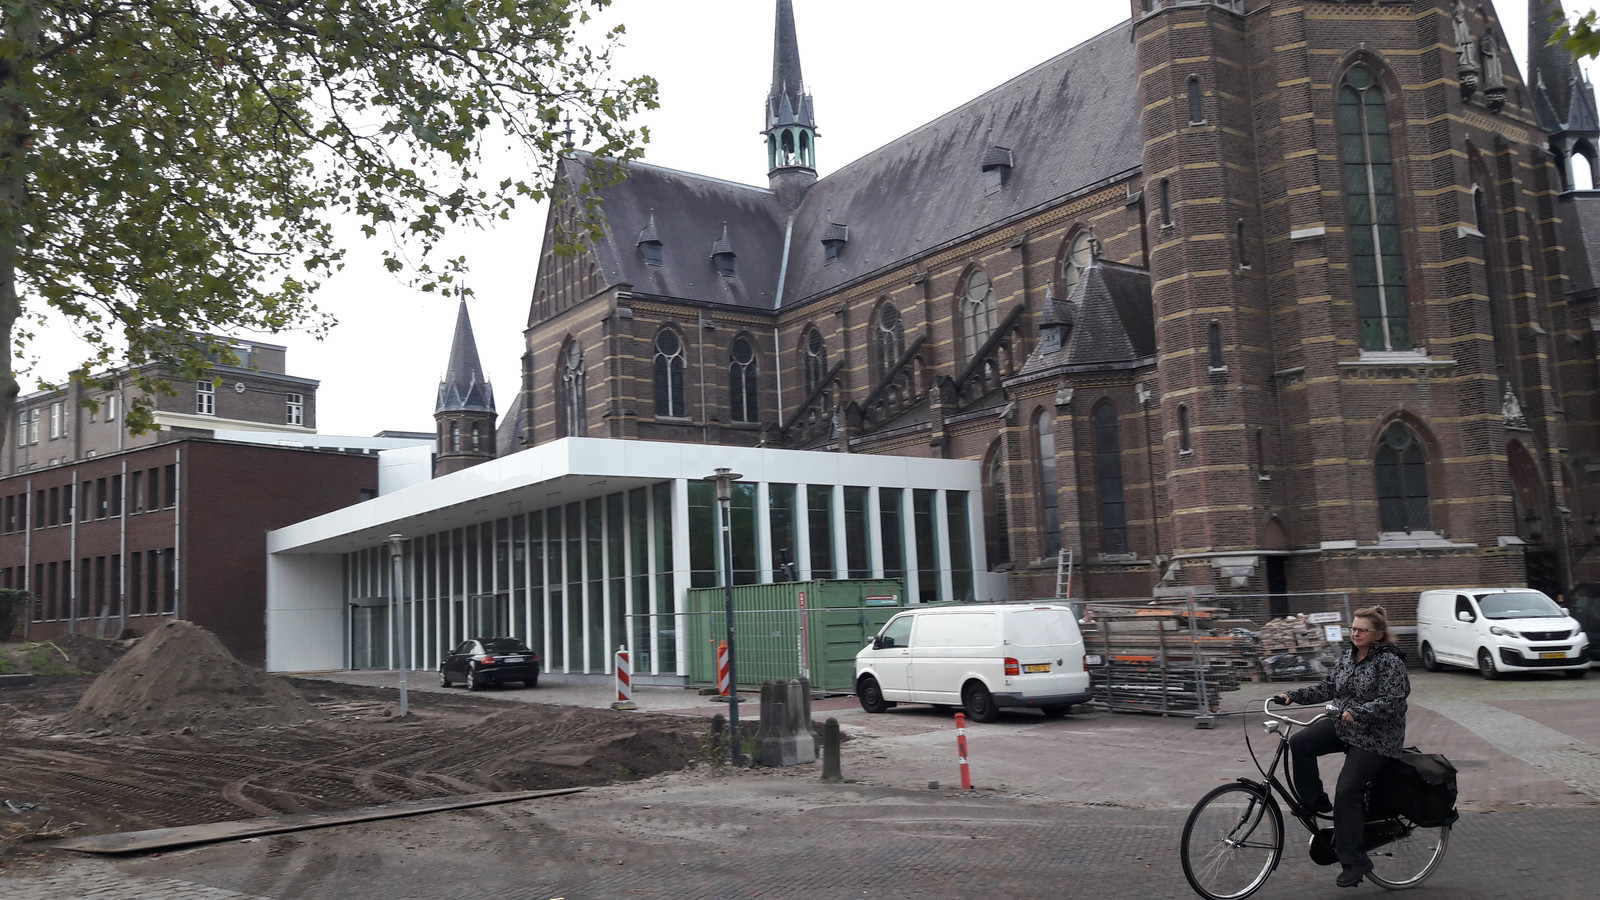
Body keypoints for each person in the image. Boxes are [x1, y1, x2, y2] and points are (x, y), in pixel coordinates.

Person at [1273, 605, 1410, 888]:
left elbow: (1394, 700)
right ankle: (1314, 802)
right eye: (1354, 628)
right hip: (1345, 725)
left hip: (1377, 736)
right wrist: (1292, 696)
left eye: (1362, 630)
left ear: (1378, 635)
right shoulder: (1348, 656)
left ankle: (1355, 861)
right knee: (1300, 742)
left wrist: (1359, 712)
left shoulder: (1389, 662)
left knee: (1347, 790)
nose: (1356, 633)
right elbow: (1328, 687)